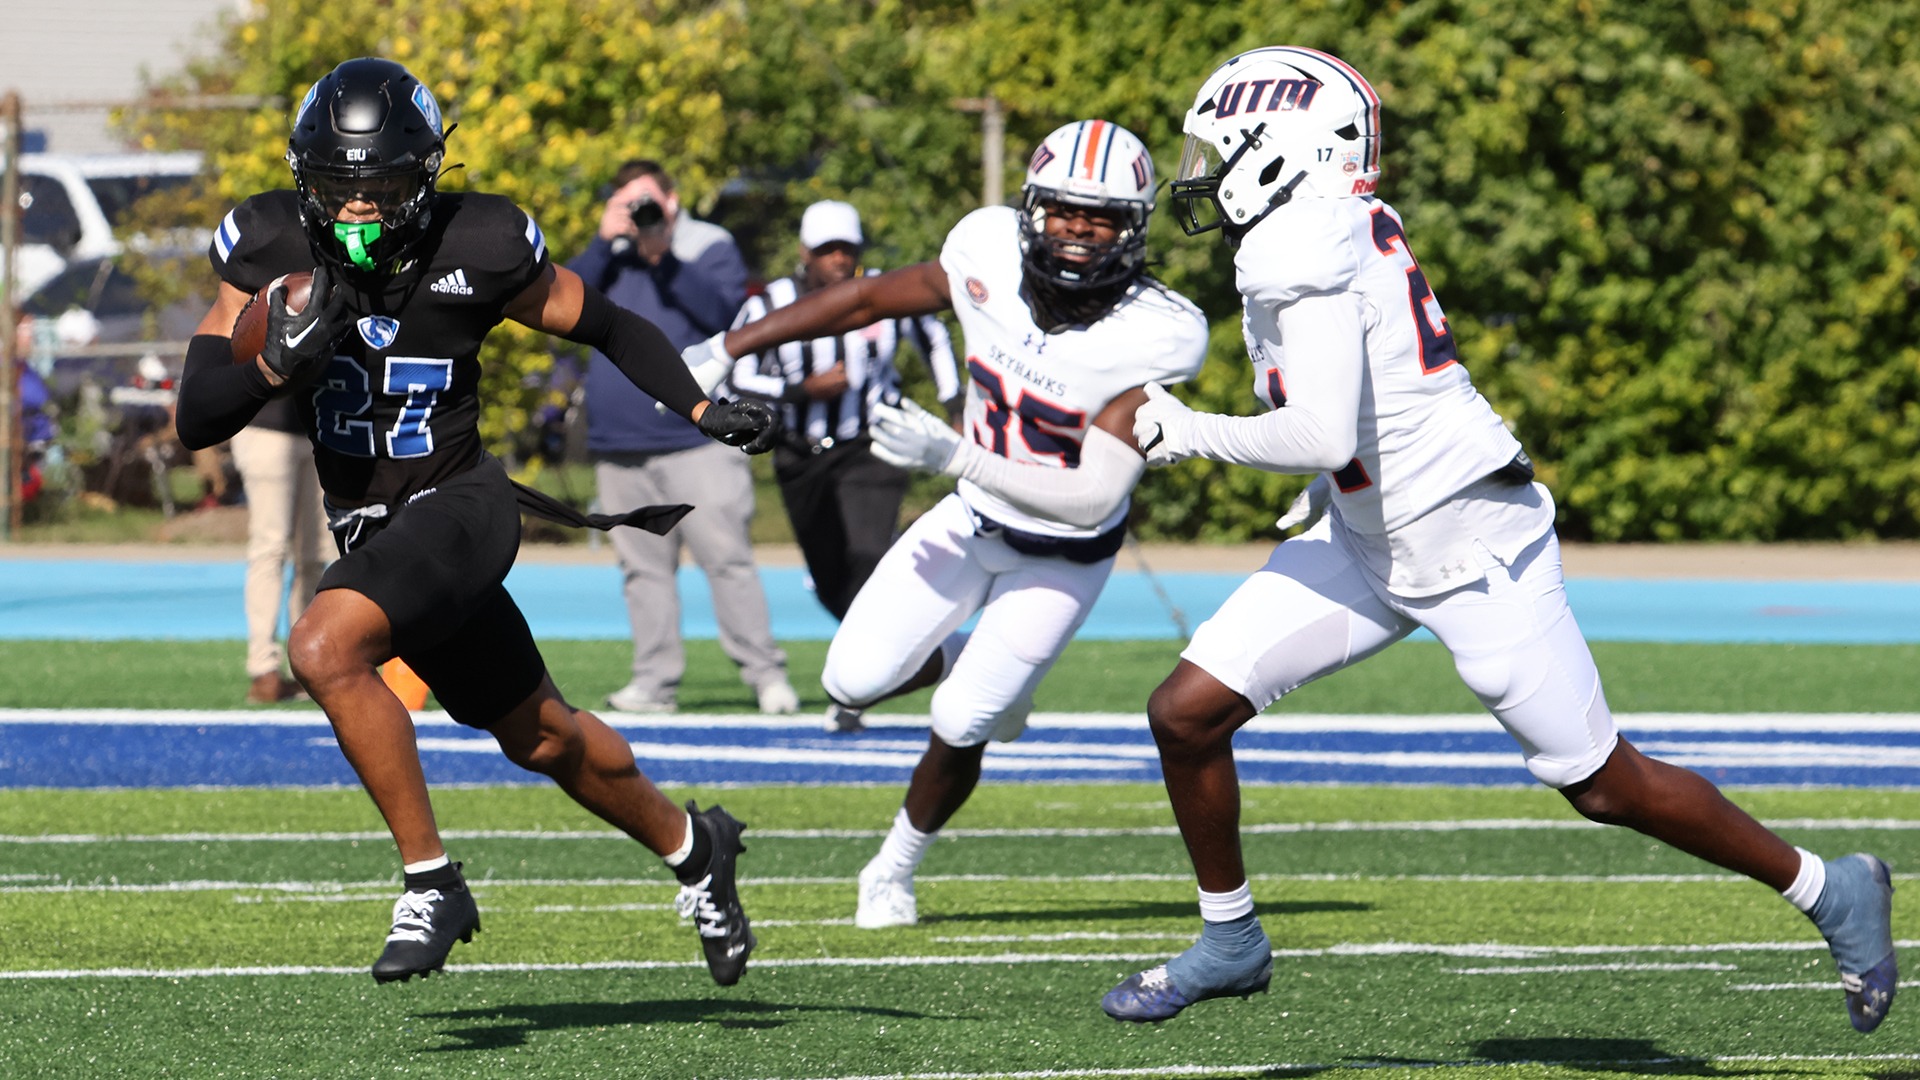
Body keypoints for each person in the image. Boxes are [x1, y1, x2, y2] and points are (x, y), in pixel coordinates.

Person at [1100, 46, 1898, 1033]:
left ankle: (1830, 889)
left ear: (1276, 148)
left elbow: (1319, 425)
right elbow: (1376, 397)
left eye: (1215, 150)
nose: (1202, 174)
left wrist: (1184, 431)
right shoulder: (1326, 226)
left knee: (1603, 783)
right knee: (1187, 712)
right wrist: (1332, 489)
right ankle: (1232, 939)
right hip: (1367, 535)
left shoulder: (1296, 243)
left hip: (1472, 545)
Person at [173, 58, 778, 986]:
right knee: (544, 738)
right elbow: (193, 418)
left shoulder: (484, 240)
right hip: (374, 533)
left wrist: (700, 410)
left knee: (325, 648)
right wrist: (266, 369)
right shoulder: (265, 245)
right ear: (307, 181)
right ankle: (697, 847)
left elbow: (608, 325)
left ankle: (431, 882)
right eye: (340, 190)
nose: (359, 214)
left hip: (461, 505)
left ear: (423, 179)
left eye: (379, 190)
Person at [681, 120, 1209, 928]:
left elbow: (1094, 500)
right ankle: (982, 665)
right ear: (1031, 207)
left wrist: (954, 455)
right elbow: (862, 298)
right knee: (848, 682)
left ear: (1133, 228)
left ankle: (891, 870)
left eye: (1098, 217)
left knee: (961, 718)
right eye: (1062, 210)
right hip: (971, 521)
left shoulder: (1160, 334)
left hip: (1062, 557)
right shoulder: (986, 249)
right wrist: (727, 345)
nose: (1076, 230)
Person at [571, 159, 800, 716]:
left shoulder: (707, 244)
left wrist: (663, 255)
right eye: (629, 202)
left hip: (696, 440)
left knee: (728, 560)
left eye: (648, 202)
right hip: (620, 445)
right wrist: (606, 242)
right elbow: (560, 301)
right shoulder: (609, 251)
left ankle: (765, 675)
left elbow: (725, 312)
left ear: (672, 201)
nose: (641, 213)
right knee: (643, 572)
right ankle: (654, 682)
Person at [726, 200, 962, 731]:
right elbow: (737, 376)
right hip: (799, 452)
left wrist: (955, 404)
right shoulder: (772, 302)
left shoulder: (883, 289)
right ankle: (892, 662)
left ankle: (873, 679)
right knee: (833, 579)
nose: (838, 260)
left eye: (847, 250)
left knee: (868, 555)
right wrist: (800, 388)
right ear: (804, 253)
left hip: (870, 444)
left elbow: (932, 333)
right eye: (828, 250)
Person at [231, 397, 330, 703]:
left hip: (318, 430)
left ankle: (305, 664)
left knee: (314, 557)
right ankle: (264, 669)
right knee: (270, 551)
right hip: (265, 426)